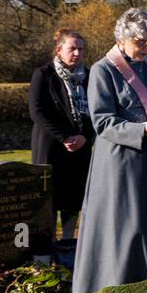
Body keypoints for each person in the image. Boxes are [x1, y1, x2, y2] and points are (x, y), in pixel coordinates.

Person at [71, 8, 147, 293]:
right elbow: (102, 122)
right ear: (123, 38)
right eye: (142, 42)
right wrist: (144, 129)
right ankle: (121, 280)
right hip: (121, 163)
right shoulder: (103, 70)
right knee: (128, 224)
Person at [29, 29, 96, 242]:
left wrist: (85, 136)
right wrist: (66, 137)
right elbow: (37, 111)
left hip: (80, 148)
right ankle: (46, 244)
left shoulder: (89, 76)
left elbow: (97, 111)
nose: (77, 53)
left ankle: (68, 241)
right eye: (72, 48)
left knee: (73, 198)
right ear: (59, 50)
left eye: (81, 49)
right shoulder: (44, 74)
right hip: (51, 146)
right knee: (50, 198)